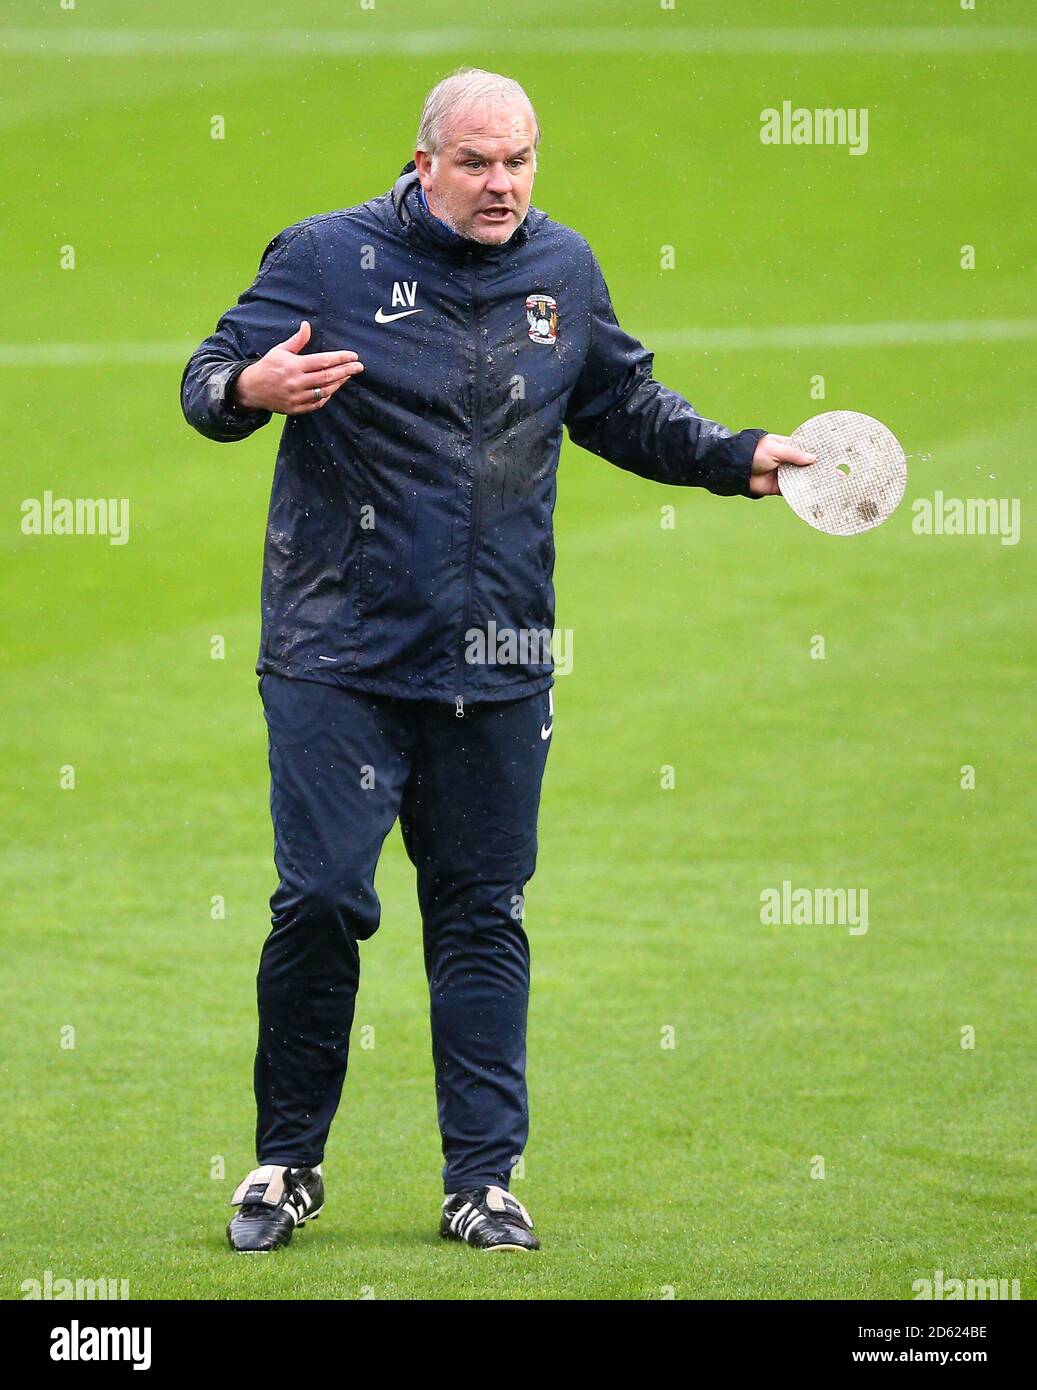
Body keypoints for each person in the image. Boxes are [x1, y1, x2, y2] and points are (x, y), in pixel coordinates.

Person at [180, 67, 814, 1255]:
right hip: (338, 648)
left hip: (502, 651)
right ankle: (284, 1162)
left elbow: (620, 404)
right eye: (475, 162)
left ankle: (482, 1181)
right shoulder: (325, 258)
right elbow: (204, 379)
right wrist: (249, 388)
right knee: (320, 896)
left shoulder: (559, 271)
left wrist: (736, 456)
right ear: (422, 162)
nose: (501, 184)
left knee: (481, 912)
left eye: (518, 160)